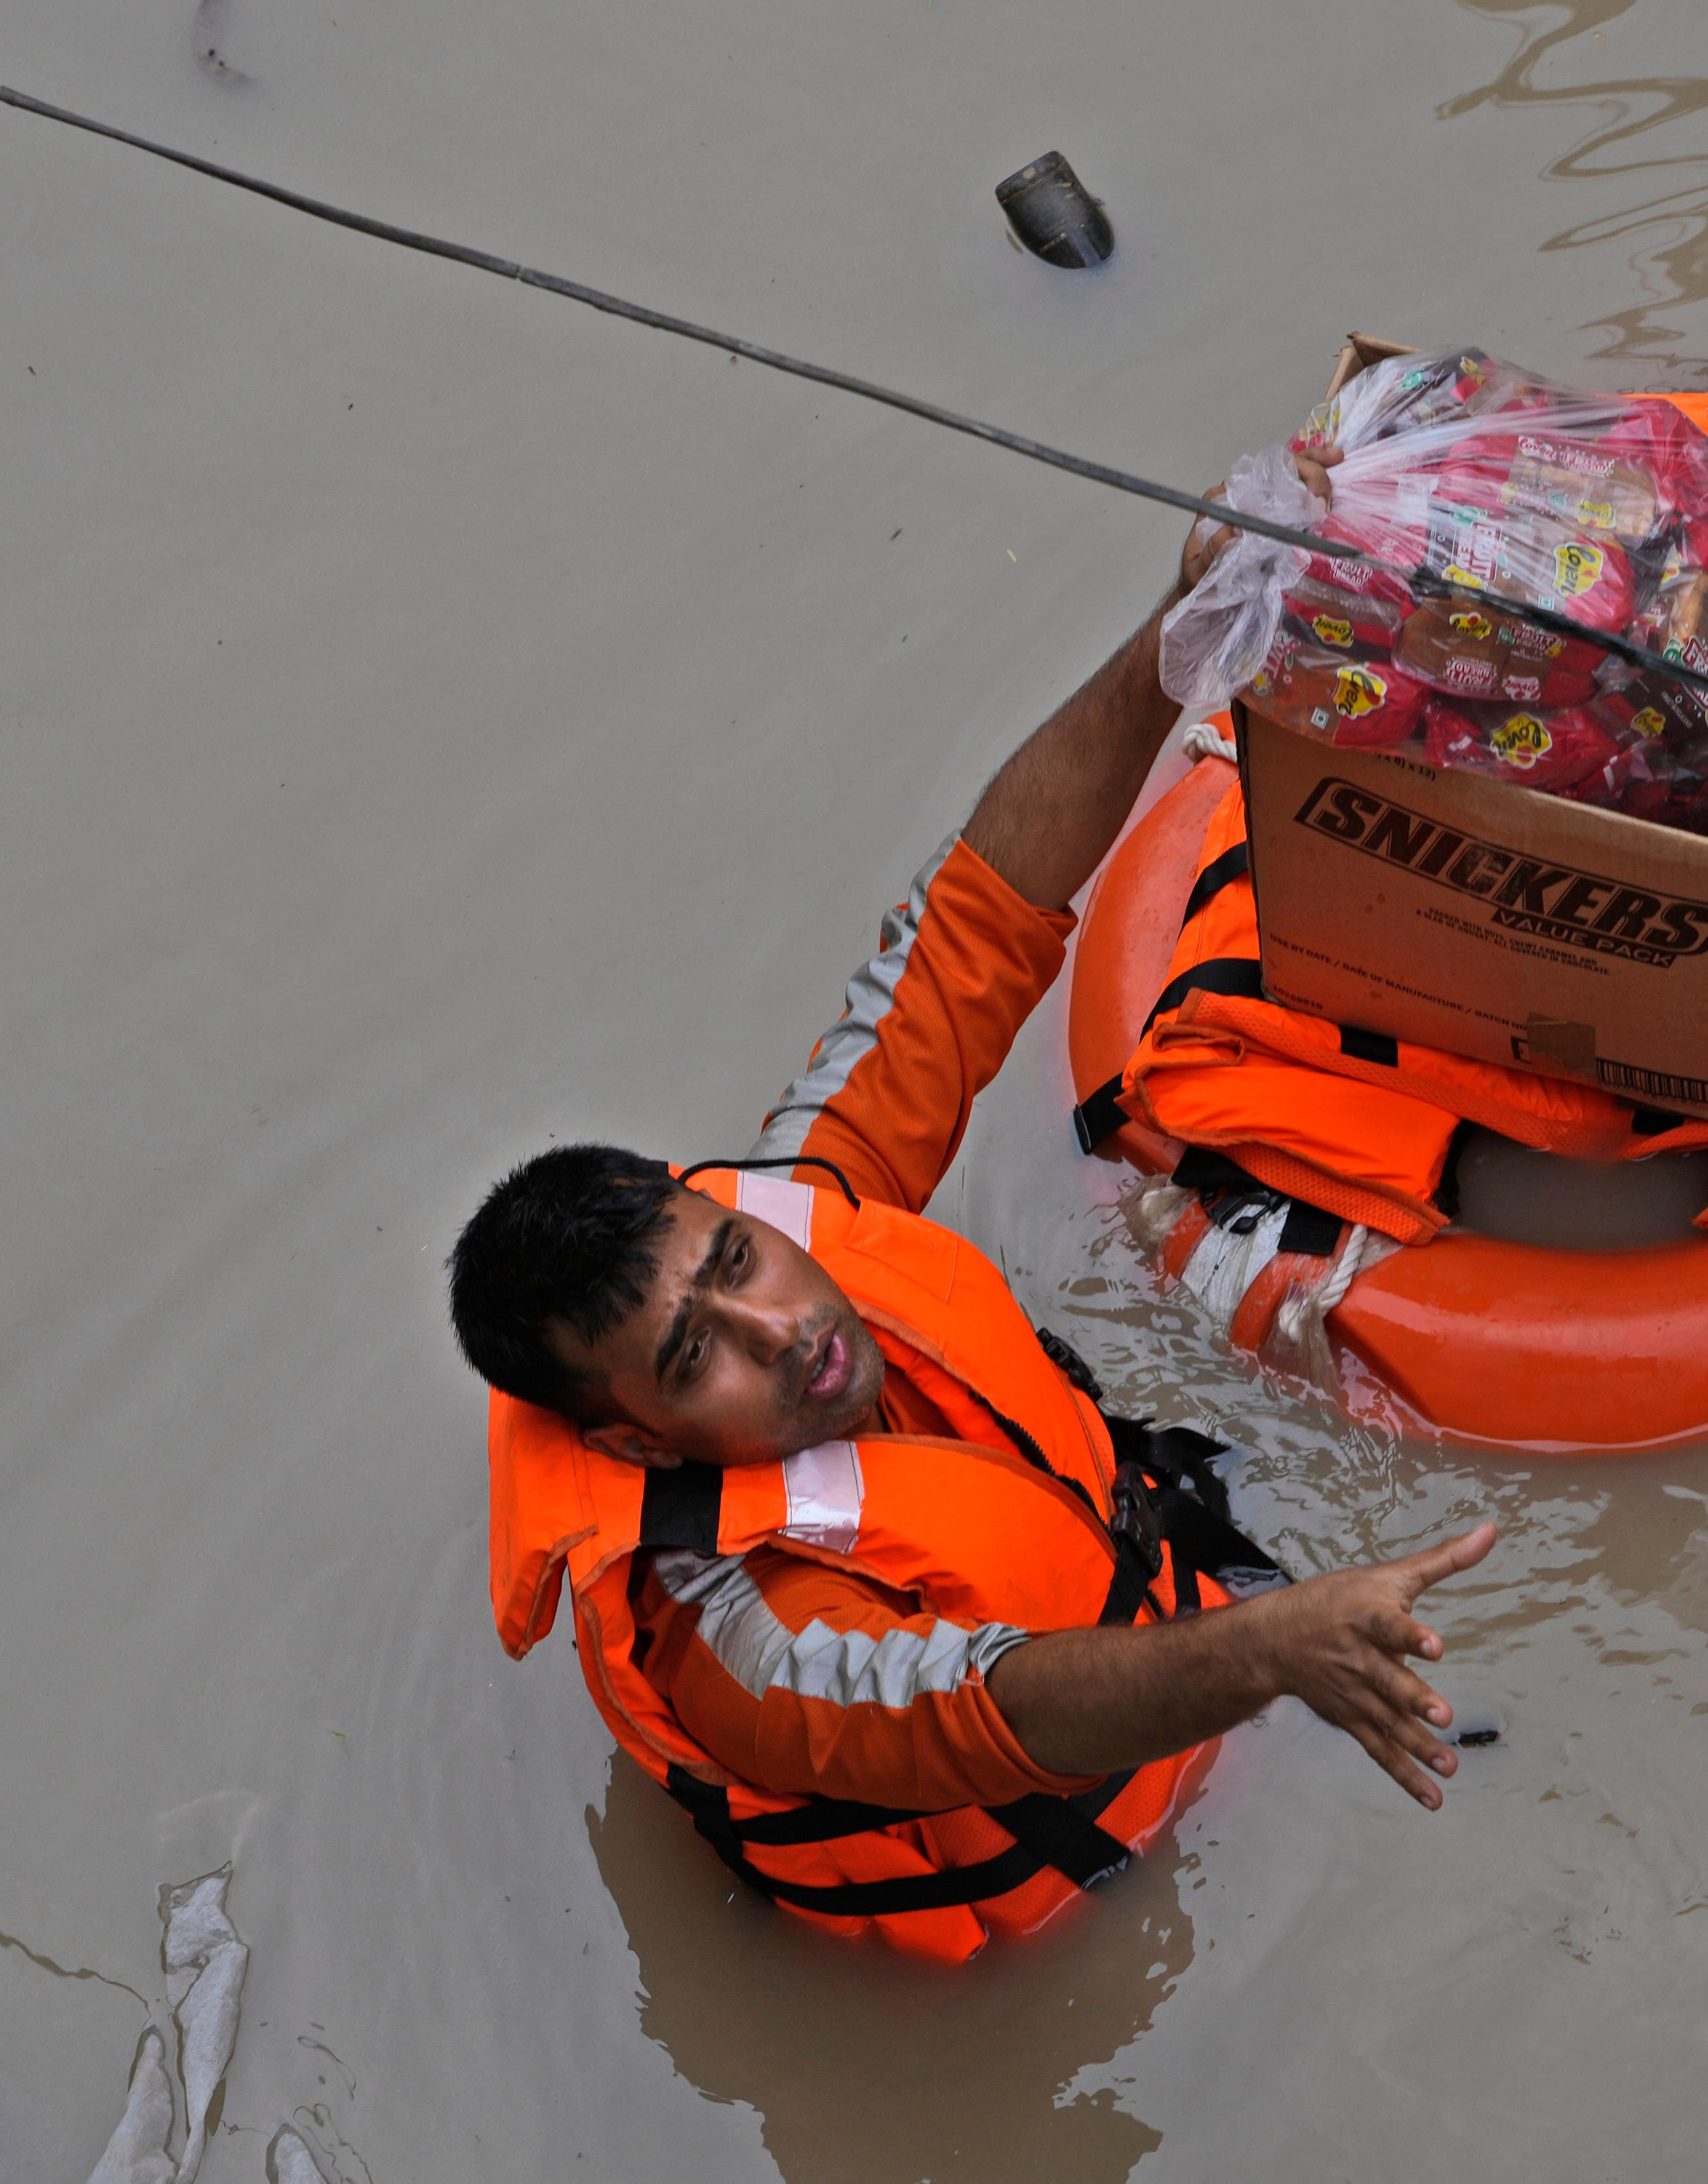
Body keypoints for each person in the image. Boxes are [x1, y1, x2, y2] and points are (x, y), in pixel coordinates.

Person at [450, 519, 1498, 1963]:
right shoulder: (743, 1645)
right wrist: (1270, 1652)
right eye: (696, 1356)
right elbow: (982, 1710)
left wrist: (1175, 637)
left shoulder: (800, 1199)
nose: (785, 1328)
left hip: (1181, 1602)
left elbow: (970, 921)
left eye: (734, 1264)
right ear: (630, 1443)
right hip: (1072, 1909)